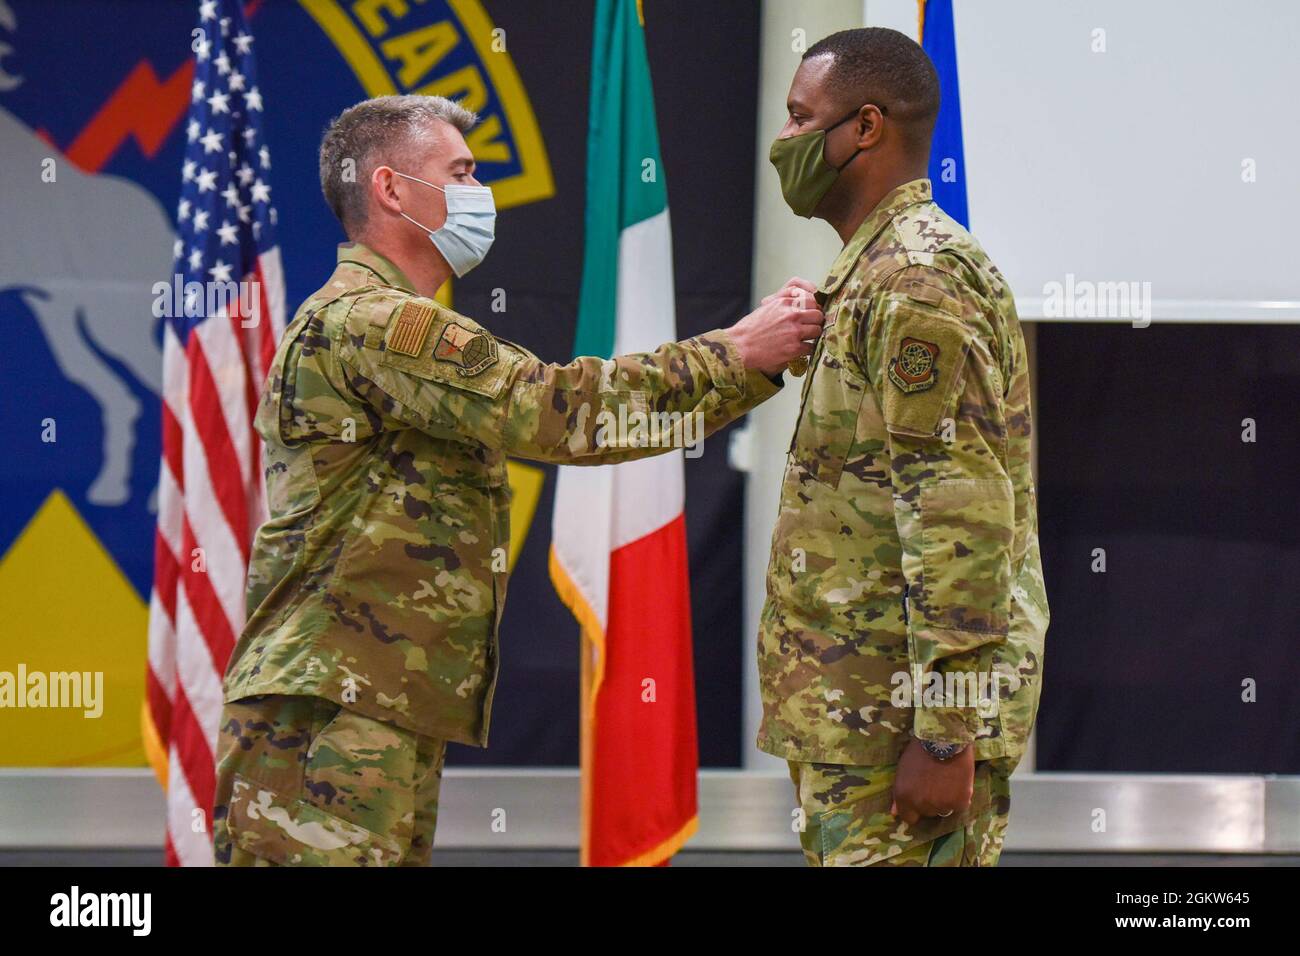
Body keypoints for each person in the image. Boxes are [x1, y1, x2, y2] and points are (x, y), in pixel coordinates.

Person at [211, 94, 823, 866]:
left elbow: (577, 423)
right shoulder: (375, 322)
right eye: (460, 172)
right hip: (329, 713)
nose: (478, 192)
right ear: (392, 189)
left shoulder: (372, 319)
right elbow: (557, 411)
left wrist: (747, 368)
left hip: (359, 704)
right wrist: (739, 351)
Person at [759, 27, 1048, 866]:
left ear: (865, 128)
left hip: (894, 733)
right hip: (857, 720)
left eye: (799, 117)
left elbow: (961, 515)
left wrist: (948, 736)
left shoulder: (914, 282)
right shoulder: (873, 272)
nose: (785, 142)